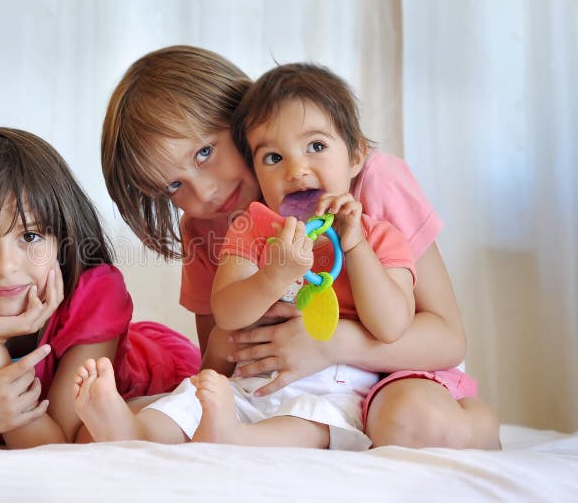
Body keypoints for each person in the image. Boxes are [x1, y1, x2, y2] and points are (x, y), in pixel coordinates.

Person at [96, 45, 499, 448]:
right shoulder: (206, 228)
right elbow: (220, 362)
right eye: (173, 186)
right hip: (286, 387)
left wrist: (334, 343)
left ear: (242, 119)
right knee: (151, 414)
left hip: (396, 368)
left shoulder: (372, 182)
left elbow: (447, 338)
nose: (206, 192)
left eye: (205, 152)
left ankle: (475, 423)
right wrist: (226, 344)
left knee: (408, 418)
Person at [0, 127, 199, 448]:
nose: (5, 267)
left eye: (29, 236)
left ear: (62, 243)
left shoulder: (95, 295)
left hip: (148, 378)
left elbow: (57, 447)